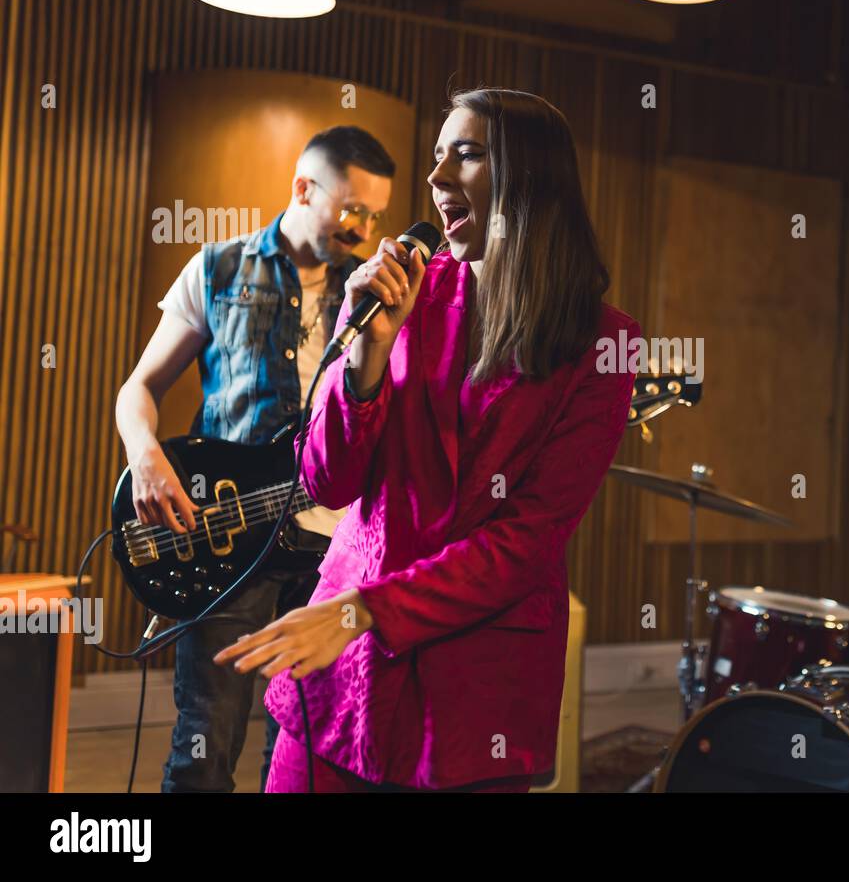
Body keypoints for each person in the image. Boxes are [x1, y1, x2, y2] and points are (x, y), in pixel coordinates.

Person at [214, 89, 640, 792]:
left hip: (476, 698)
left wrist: (369, 609)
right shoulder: (407, 294)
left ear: (529, 177)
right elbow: (325, 482)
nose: (437, 179)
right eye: (437, 156)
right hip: (339, 669)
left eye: (466, 155)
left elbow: (524, 543)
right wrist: (365, 359)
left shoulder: (604, 345)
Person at [115, 125, 396, 791]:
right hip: (228, 541)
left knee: (299, 753)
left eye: (376, 215)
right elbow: (139, 390)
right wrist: (146, 455)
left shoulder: (374, 294)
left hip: (333, 553)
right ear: (304, 188)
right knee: (204, 749)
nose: (364, 228)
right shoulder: (216, 268)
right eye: (353, 209)